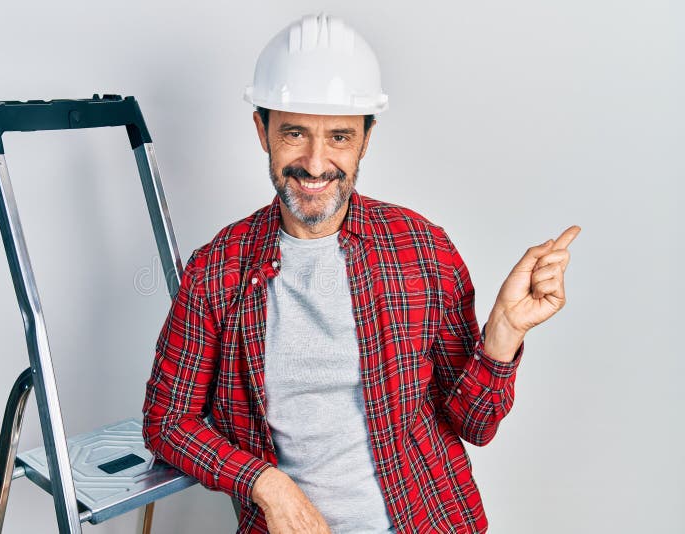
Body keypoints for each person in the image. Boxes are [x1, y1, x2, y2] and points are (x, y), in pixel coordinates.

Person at [143, 13, 579, 533]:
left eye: (340, 137)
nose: (315, 162)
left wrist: (504, 333)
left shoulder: (421, 248)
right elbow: (168, 422)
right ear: (262, 131)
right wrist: (266, 485)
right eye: (295, 132)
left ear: (366, 139)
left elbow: (475, 425)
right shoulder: (217, 270)